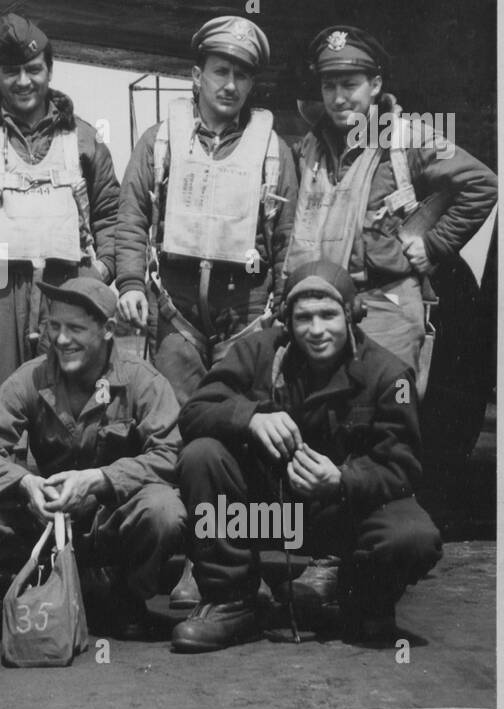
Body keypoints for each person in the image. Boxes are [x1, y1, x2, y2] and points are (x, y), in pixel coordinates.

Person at [170, 260, 442, 653]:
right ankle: (230, 599)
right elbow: (194, 413)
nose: (316, 331)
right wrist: (249, 417)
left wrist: (342, 480)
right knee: (202, 455)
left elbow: (402, 469)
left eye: (328, 315)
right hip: (268, 517)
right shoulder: (258, 352)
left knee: (412, 537)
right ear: (287, 321)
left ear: (352, 315)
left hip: (343, 516)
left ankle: (363, 599)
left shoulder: (390, 375)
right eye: (304, 318)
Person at [0, 277, 185, 635]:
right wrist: (24, 484)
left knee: (164, 509)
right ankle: (28, 593)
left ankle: (123, 601)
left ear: (107, 330)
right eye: (54, 327)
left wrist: (99, 480)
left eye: (75, 329)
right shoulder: (31, 377)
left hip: (108, 524)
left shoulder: (142, 381)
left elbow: (169, 456)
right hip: (44, 525)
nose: (61, 339)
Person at [0, 15, 120, 416]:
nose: (23, 81)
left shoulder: (84, 138)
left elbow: (110, 216)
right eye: (11, 71)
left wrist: (99, 274)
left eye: (33, 69)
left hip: (67, 286)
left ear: (50, 69)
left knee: (68, 409)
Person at [286, 25, 497, 378]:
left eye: (350, 84)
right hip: (322, 309)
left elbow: (482, 184)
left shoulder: (408, 137)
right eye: (329, 85)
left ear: (375, 86)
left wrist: (434, 245)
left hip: (386, 306)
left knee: (388, 417)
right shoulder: (311, 147)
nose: (338, 98)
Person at [115, 16, 296, 407]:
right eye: (221, 72)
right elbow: (131, 217)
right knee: (170, 421)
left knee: (240, 419)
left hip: (248, 311)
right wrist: (131, 282)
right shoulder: (158, 142)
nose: (230, 85)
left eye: (242, 76)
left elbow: (287, 238)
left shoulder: (273, 152)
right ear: (197, 77)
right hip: (174, 308)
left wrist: (284, 307)